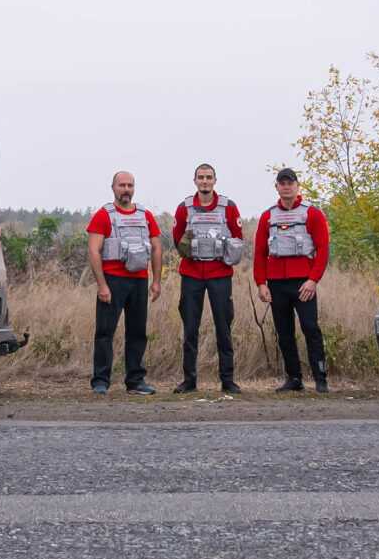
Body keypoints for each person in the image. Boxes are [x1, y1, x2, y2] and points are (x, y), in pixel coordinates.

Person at [254, 167, 330, 392]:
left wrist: (313, 280)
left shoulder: (312, 214)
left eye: (290, 183)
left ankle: (320, 378)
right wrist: (261, 283)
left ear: (298, 186)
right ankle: (294, 378)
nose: (286, 187)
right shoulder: (268, 216)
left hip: (303, 283)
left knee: (310, 329)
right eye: (282, 183)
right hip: (276, 283)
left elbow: (323, 249)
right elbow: (259, 252)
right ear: (276, 187)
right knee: (284, 332)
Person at [86, 171, 161, 396]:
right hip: (113, 280)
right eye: (121, 185)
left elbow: (157, 248)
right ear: (113, 188)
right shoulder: (103, 215)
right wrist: (102, 285)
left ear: (134, 188)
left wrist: (157, 281)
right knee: (105, 332)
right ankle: (101, 381)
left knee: (138, 332)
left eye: (129, 185)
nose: (125, 189)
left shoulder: (145, 215)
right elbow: (93, 251)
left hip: (139, 280)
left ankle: (135, 381)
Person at [170, 164, 243, 394]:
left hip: (220, 275)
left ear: (215, 180)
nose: (205, 181)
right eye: (200, 177)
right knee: (190, 329)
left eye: (208, 177)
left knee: (224, 328)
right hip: (191, 275)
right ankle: (189, 380)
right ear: (194, 181)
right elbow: (177, 238)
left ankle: (227, 380)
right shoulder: (184, 208)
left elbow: (238, 237)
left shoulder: (228, 207)